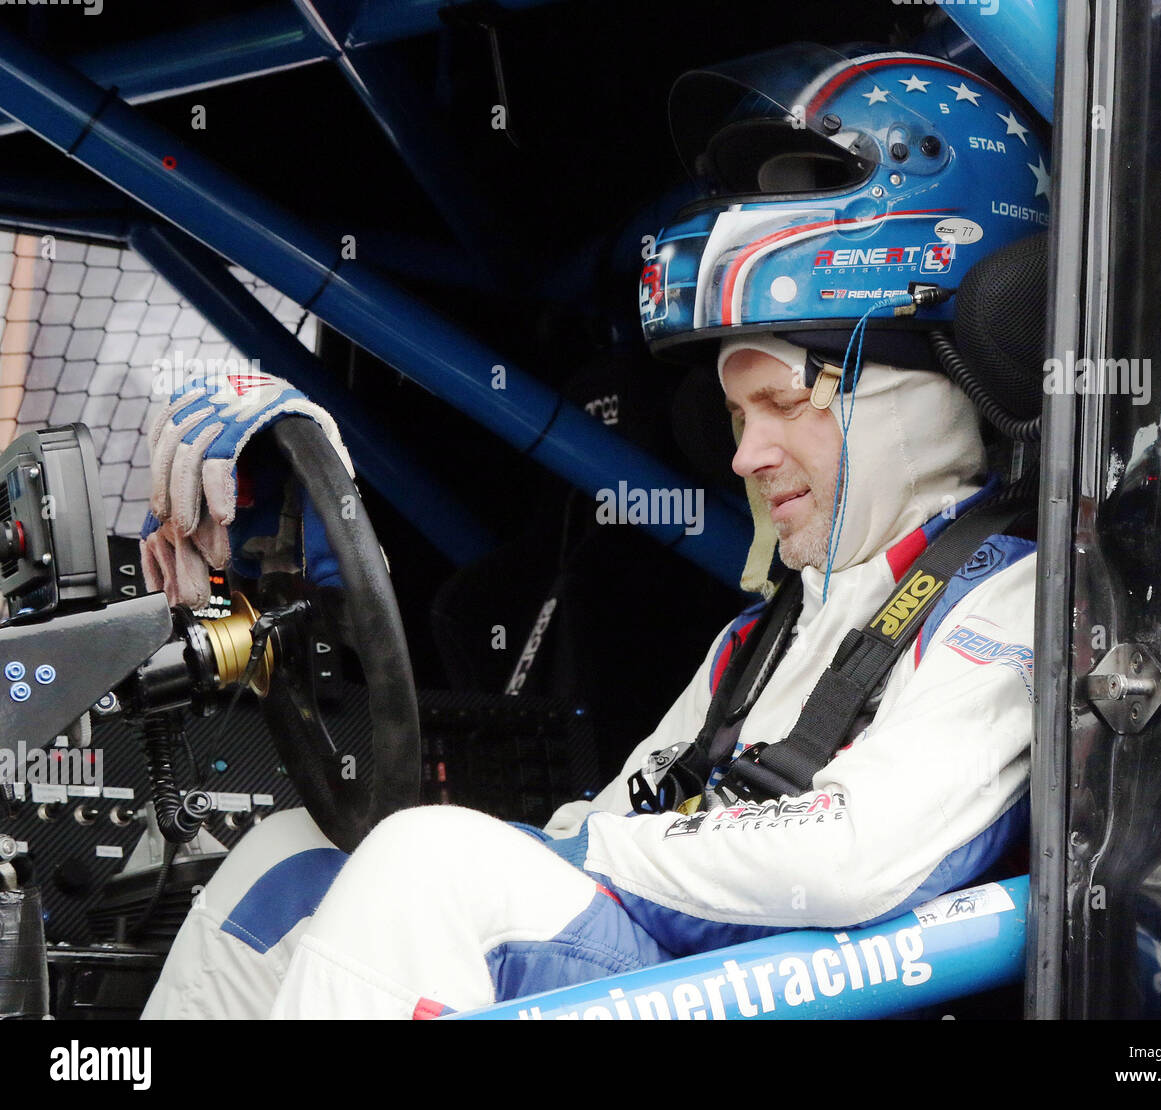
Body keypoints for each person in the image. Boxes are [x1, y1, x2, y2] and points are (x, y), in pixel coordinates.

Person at [141, 43, 1050, 1019]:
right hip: (683, 975)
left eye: (785, 402)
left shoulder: (1014, 595)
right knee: (286, 859)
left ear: (920, 399)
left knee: (430, 863)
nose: (745, 459)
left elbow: (859, 856)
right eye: (736, 420)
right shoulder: (757, 640)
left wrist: (542, 851)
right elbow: (616, 825)